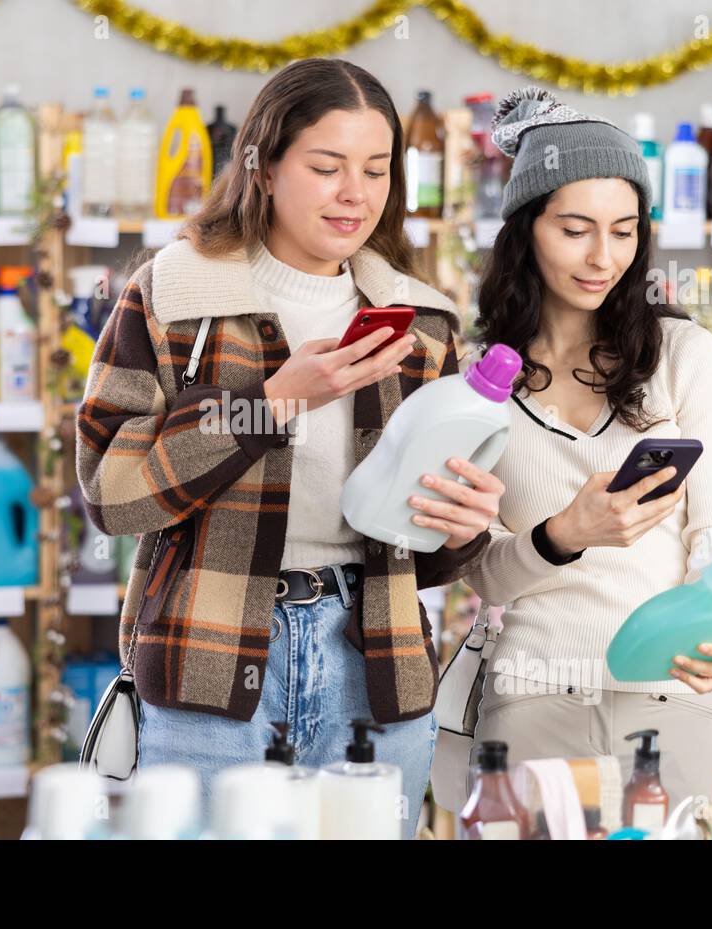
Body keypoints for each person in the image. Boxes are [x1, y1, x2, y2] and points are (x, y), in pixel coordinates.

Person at [76, 58, 503, 838]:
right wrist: (272, 403)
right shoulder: (174, 294)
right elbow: (111, 491)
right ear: (265, 167)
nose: (356, 193)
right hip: (210, 663)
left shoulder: (421, 321)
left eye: (376, 169)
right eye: (326, 166)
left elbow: (429, 560)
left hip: (374, 669)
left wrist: (465, 523)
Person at [464, 88, 712, 806]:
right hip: (530, 698)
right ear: (526, 229)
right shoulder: (479, 378)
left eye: (625, 231)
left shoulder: (684, 353)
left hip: (672, 695)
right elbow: (482, 573)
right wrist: (565, 534)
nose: (604, 256)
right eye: (576, 229)